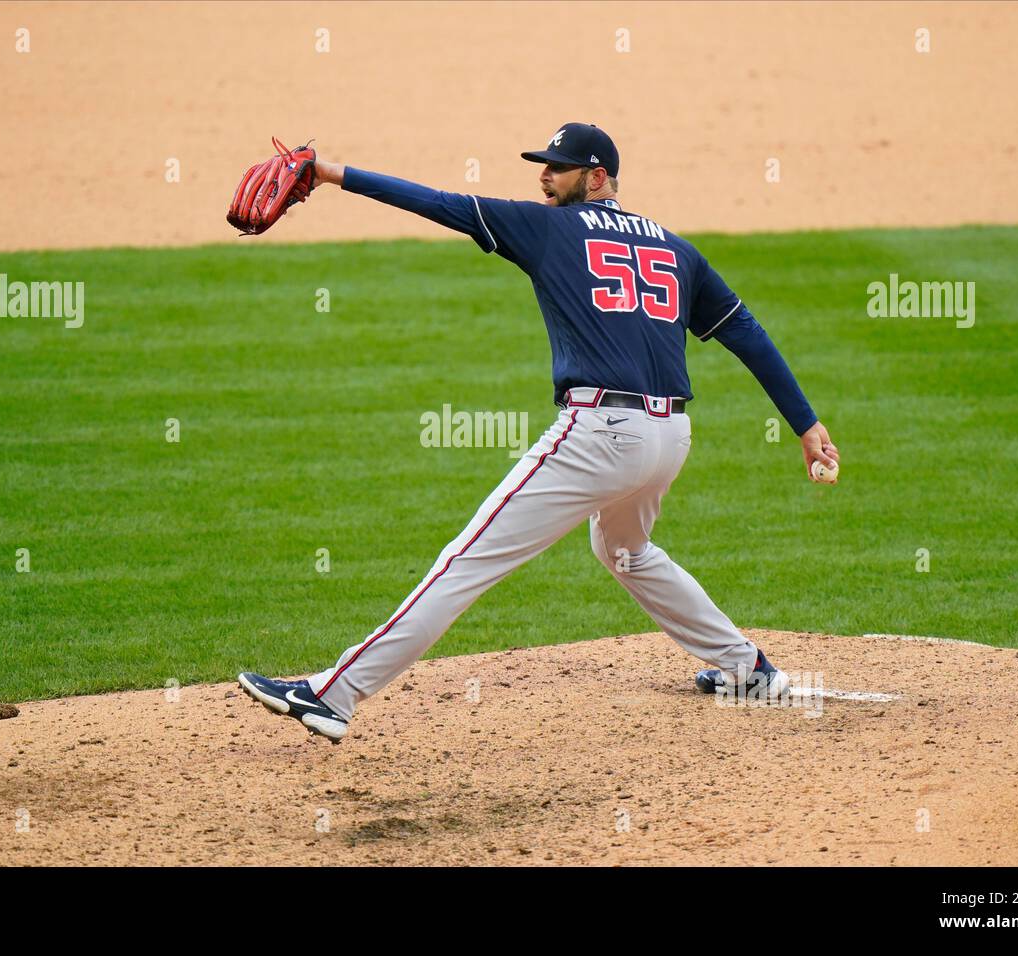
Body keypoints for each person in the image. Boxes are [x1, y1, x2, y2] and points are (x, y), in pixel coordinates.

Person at [239, 123, 839, 742]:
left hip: (600, 434)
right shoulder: (675, 248)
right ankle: (747, 669)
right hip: (669, 440)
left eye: (558, 167)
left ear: (597, 177)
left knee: (466, 561)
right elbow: (746, 332)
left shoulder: (548, 229)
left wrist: (333, 174)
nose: (544, 176)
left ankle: (332, 696)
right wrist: (805, 423)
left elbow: (439, 203)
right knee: (624, 550)